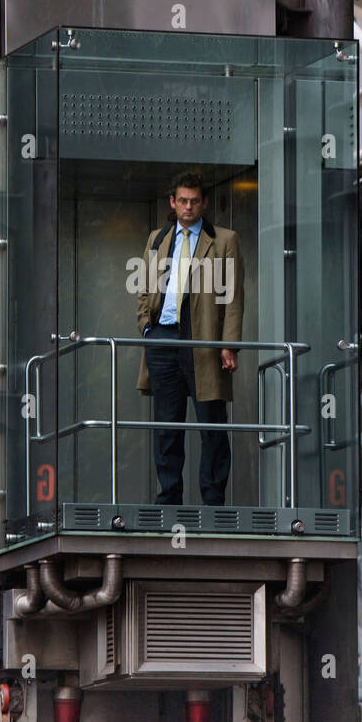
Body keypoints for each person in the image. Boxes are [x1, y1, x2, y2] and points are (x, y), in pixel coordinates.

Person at [136, 172, 244, 506]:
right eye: (182, 200)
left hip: (204, 339)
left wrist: (228, 344)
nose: (188, 206)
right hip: (163, 338)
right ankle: (169, 498)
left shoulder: (224, 239)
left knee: (211, 424)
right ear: (172, 202)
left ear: (204, 202)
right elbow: (143, 287)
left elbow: (234, 297)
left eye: (194, 200)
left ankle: (213, 499)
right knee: (167, 427)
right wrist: (145, 327)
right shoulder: (158, 237)